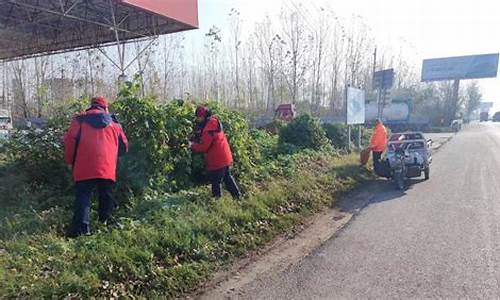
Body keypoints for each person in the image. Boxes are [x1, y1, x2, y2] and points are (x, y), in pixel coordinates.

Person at [64, 96, 128, 237]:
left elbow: (70, 142)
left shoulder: (79, 120)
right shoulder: (114, 123)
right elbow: (124, 146)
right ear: (105, 108)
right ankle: (104, 224)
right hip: (107, 167)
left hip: (84, 166)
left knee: (83, 196)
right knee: (106, 195)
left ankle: (82, 230)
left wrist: (70, 162)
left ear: (91, 106)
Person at [189, 105, 241, 199]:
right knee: (227, 177)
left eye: (199, 117)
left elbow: (204, 147)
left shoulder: (208, 129)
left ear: (203, 116)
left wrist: (192, 145)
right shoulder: (213, 122)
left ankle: (217, 202)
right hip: (225, 157)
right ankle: (237, 197)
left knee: (215, 181)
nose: (197, 119)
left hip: (217, 159)